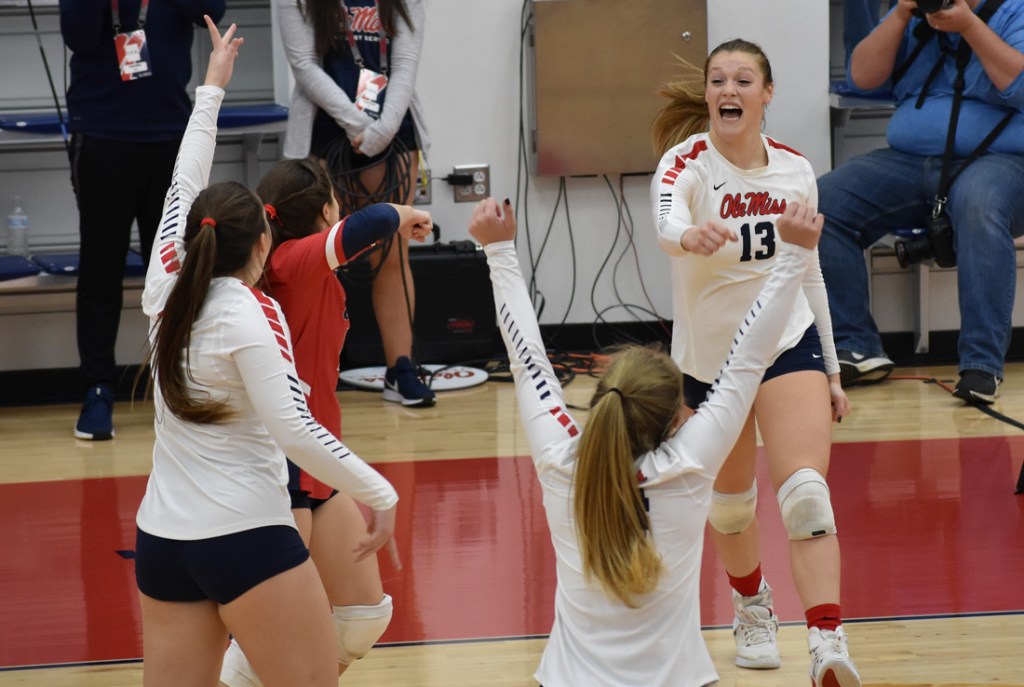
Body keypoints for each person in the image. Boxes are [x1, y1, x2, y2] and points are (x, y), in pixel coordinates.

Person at [135, 19, 398, 687]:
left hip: (162, 541)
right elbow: (295, 432)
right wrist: (381, 492)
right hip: (246, 539)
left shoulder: (164, 281)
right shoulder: (253, 312)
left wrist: (212, 88)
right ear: (261, 246)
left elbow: (183, 178)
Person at [470, 195, 823, 687]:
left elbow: (526, 360)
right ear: (677, 419)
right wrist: (793, 255)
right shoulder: (690, 464)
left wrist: (499, 250)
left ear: (602, 399)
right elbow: (747, 360)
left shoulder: (561, 460)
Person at [651, 40, 860, 686]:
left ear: (767, 94)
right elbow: (665, 219)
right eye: (718, 80)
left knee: (806, 497)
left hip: (785, 345)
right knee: (731, 508)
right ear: (708, 95)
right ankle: (751, 606)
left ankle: (827, 641)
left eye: (743, 80)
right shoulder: (686, 163)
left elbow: (811, 273)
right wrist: (688, 235)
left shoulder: (795, 170)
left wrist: (831, 369)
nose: (728, 90)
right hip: (709, 363)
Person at [218, 160, 432, 686]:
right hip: (282, 465)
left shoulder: (292, 262)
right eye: (336, 199)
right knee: (287, 638)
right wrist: (406, 212)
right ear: (325, 212)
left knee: (364, 616)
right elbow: (368, 224)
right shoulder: (293, 260)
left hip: (318, 459)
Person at [817, 0, 1024, 403]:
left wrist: (969, 25)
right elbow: (862, 77)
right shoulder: (914, 15)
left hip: (999, 160)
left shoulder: (1013, 10)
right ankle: (856, 346)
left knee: (979, 205)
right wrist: (900, 15)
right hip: (910, 160)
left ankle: (981, 365)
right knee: (824, 203)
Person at [60, 0, 226, 440]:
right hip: (101, 133)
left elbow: (213, 10)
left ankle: (178, 385)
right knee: (100, 271)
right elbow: (77, 34)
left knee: (177, 268)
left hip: (169, 133)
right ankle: (97, 390)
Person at [276, 0, 435, 406]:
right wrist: (356, 124)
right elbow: (304, 64)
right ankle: (303, 375)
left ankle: (401, 369)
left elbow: (406, 62)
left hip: (392, 132)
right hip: (326, 131)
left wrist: (383, 129)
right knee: (317, 254)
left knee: (392, 254)